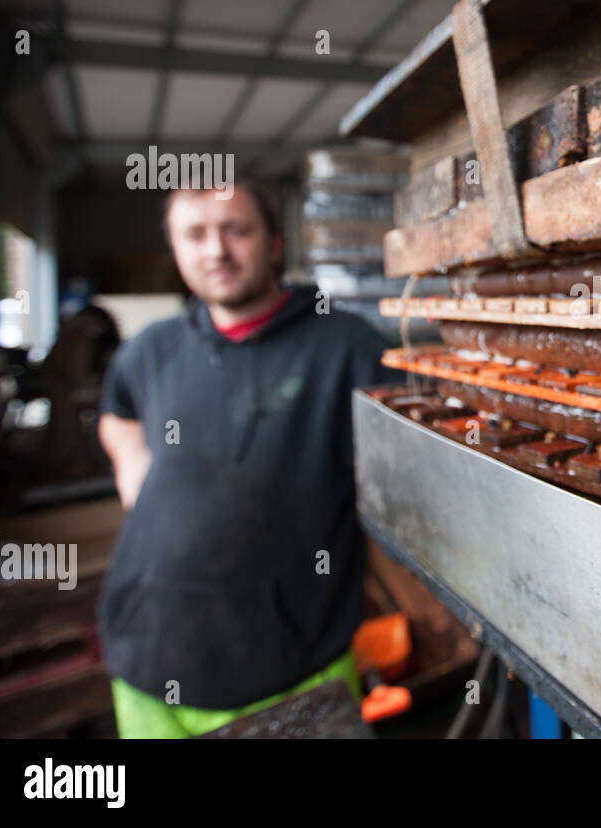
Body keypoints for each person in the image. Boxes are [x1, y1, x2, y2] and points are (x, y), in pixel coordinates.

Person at [96, 181, 397, 737]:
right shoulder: (150, 348)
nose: (216, 250)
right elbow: (118, 415)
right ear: (176, 249)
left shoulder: (347, 346)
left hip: (295, 659)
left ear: (275, 242)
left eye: (236, 230)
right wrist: (135, 477)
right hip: (147, 650)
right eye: (195, 235)